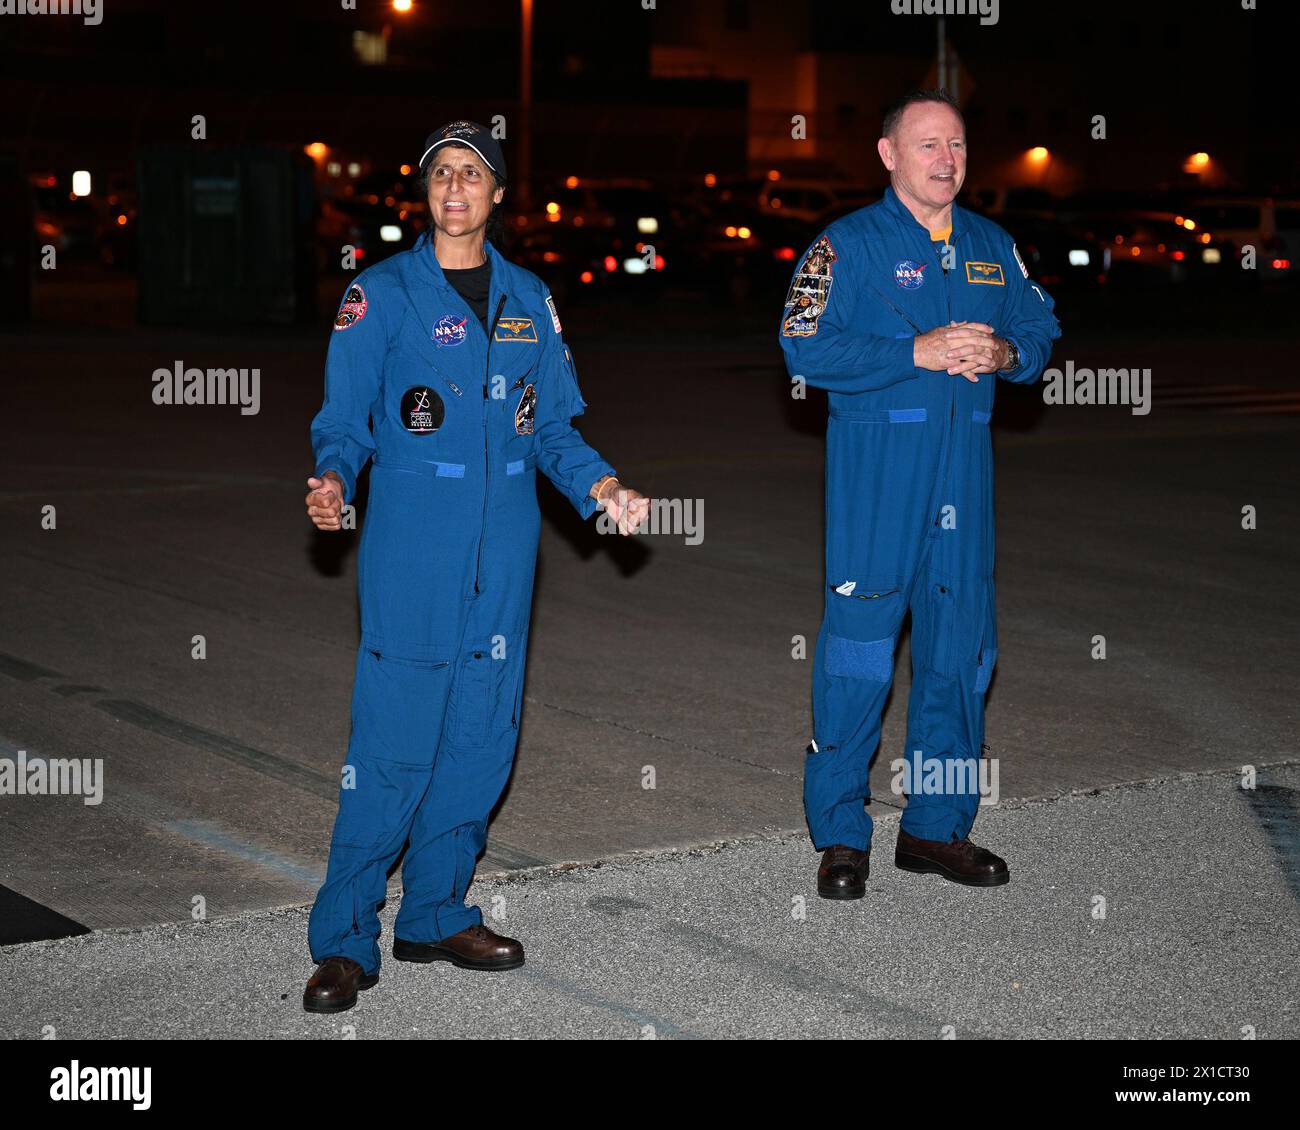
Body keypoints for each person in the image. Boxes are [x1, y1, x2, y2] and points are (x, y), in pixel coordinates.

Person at [301, 120, 648, 1012]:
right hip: (414, 547)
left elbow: (553, 429)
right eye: (441, 174)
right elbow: (344, 422)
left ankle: (435, 914)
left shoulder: (532, 298)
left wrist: (601, 485)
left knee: (481, 740)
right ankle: (344, 942)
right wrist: (334, 480)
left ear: (498, 196)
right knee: (392, 746)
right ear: (424, 193)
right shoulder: (378, 296)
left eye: (473, 174)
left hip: (505, 554)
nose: (456, 188)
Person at [778, 90, 1061, 899]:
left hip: (963, 477)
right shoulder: (847, 245)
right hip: (879, 474)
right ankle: (840, 832)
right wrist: (916, 351)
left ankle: (937, 826)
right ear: (889, 155)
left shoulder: (990, 245)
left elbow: (1041, 331)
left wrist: (1008, 348)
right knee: (859, 654)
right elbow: (802, 343)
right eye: (928, 145)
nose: (946, 160)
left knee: (959, 652)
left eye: (958, 147)